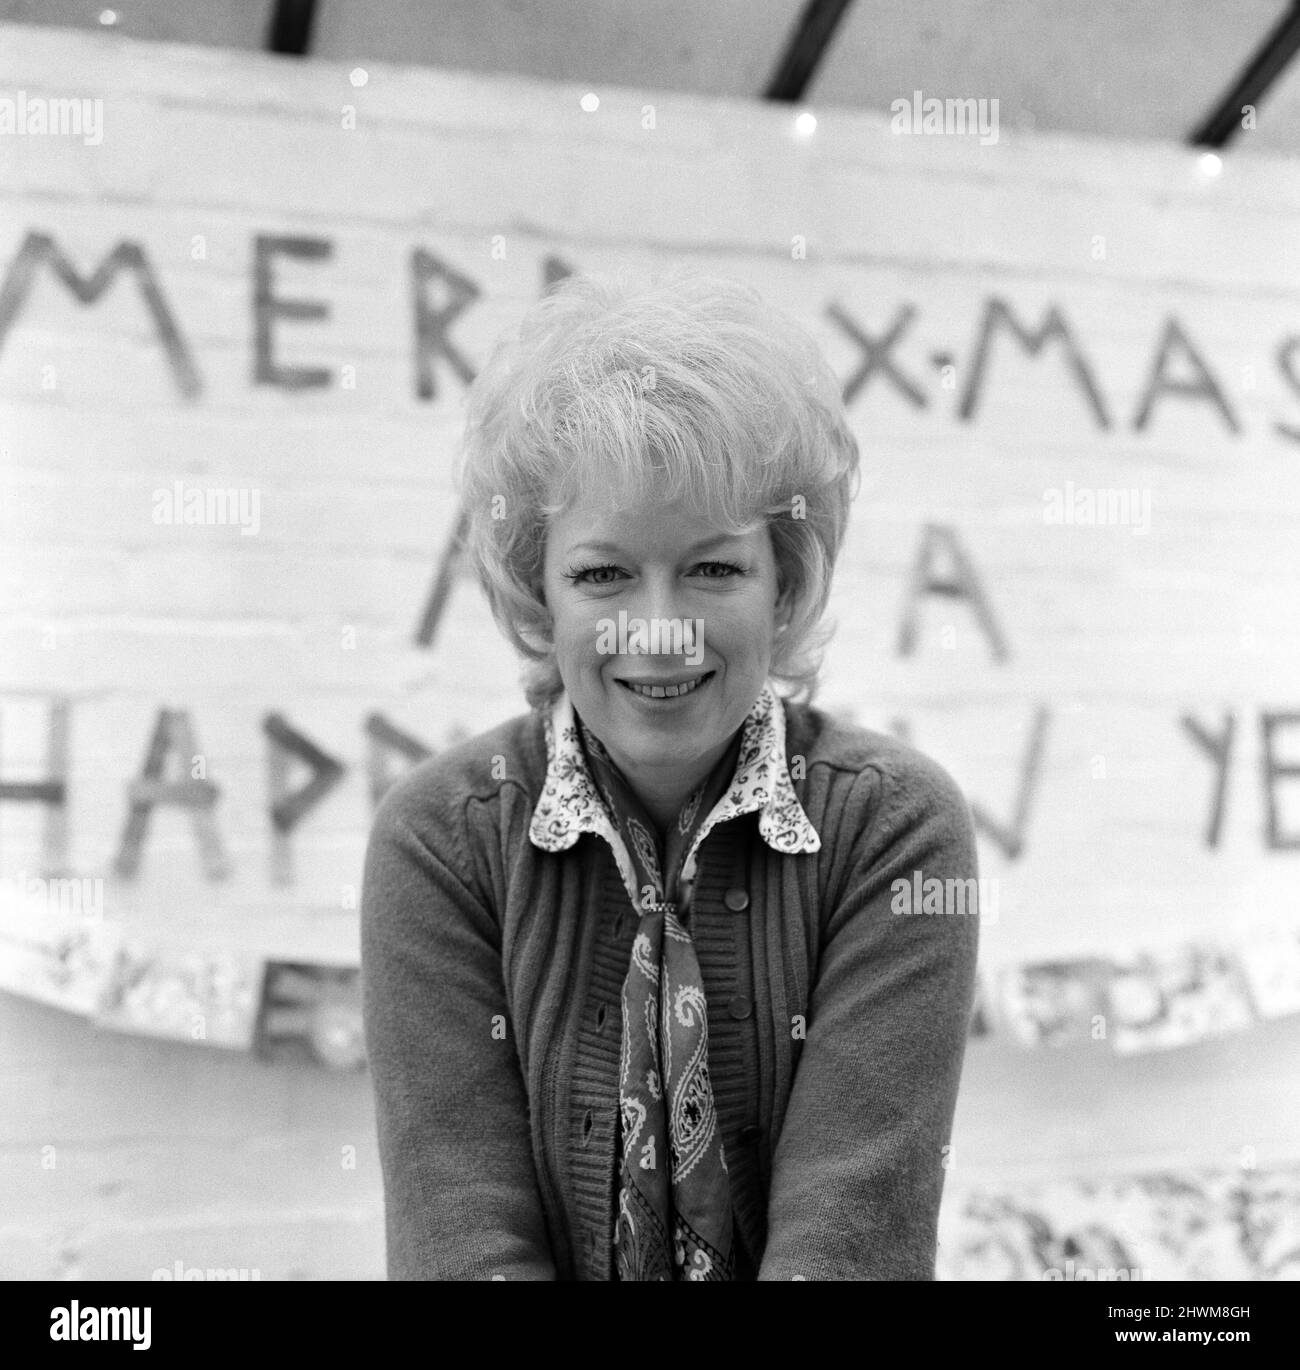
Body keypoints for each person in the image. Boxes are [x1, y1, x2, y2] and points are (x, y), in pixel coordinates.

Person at [361, 269, 980, 1280]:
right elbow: (459, 1244)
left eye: (713, 567)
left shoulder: (894, 828)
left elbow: (851, 1243)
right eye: (603, 573)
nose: (659, 626)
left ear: (786, 581)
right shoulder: (440, 839)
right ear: (538, 593)